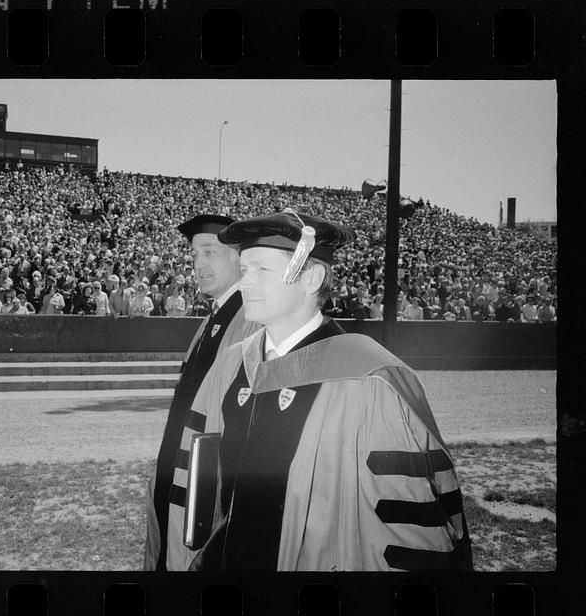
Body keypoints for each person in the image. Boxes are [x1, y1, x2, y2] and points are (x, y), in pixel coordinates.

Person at [180, 211, 471, 571]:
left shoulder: (368, 381)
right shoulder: (233, 364)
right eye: (244, 271)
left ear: (311, 278)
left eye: (262, 271)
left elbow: (406, 530)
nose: (246, 284)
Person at [144, 214, 259, 571]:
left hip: (209, 491)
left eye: (209, 252)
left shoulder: (250, 322)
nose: (197, 264)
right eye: (194, 255)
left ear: (239, 258)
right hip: (182, 478)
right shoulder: (212, 321)